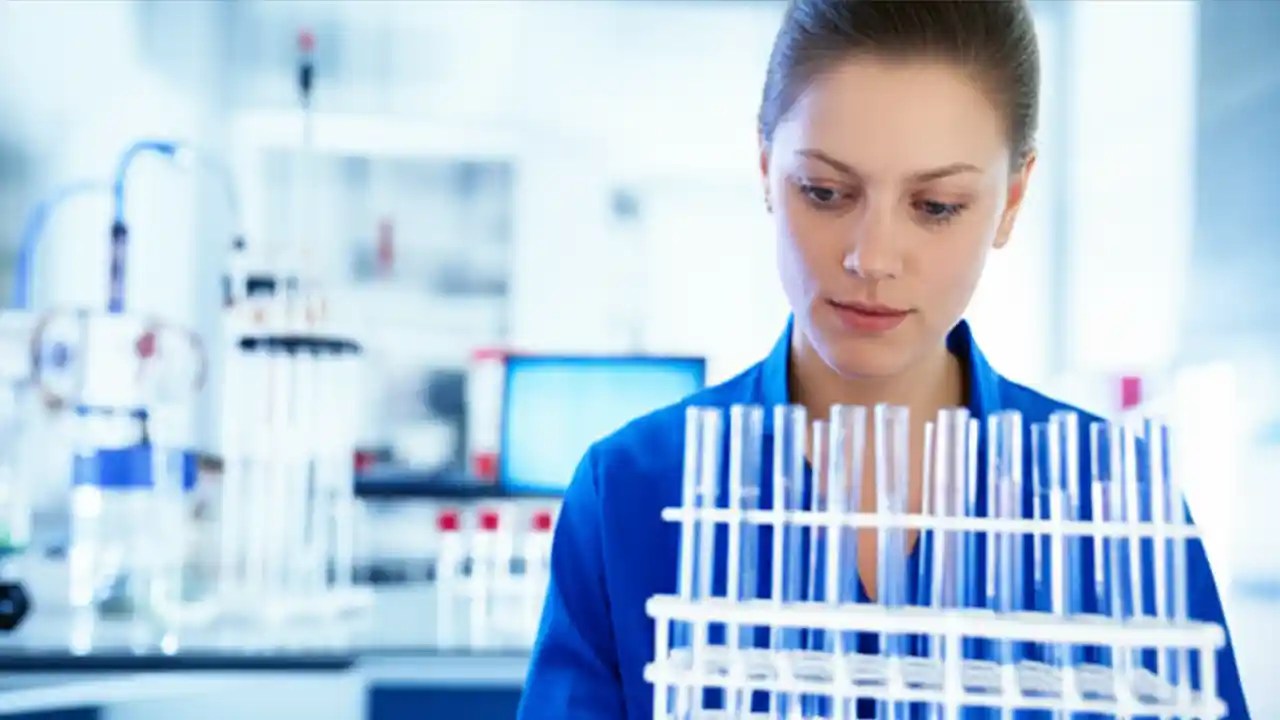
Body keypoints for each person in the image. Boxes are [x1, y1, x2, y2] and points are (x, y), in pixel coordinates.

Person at [516, 1, 1250, 718]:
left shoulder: (1117, 501)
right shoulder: (630, 493)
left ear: (1012, 199)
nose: (872, 258)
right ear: (766, 169)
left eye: (936, 206)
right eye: (825, 192)